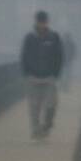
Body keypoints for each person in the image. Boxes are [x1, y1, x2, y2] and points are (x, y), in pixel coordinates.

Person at [21, 10, 64, 139]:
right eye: (40, 22)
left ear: (47, 22)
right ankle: (36, 130)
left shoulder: (54, 37)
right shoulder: (29, 38)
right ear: (36, 22)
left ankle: (47, 124)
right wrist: (26, 73)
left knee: (51, 104)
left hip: (49, 77)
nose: (42, 24)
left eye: (44, 22)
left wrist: (56, 73)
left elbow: (59, 56)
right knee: (34, 106)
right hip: (33, 77)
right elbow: (24, 56)